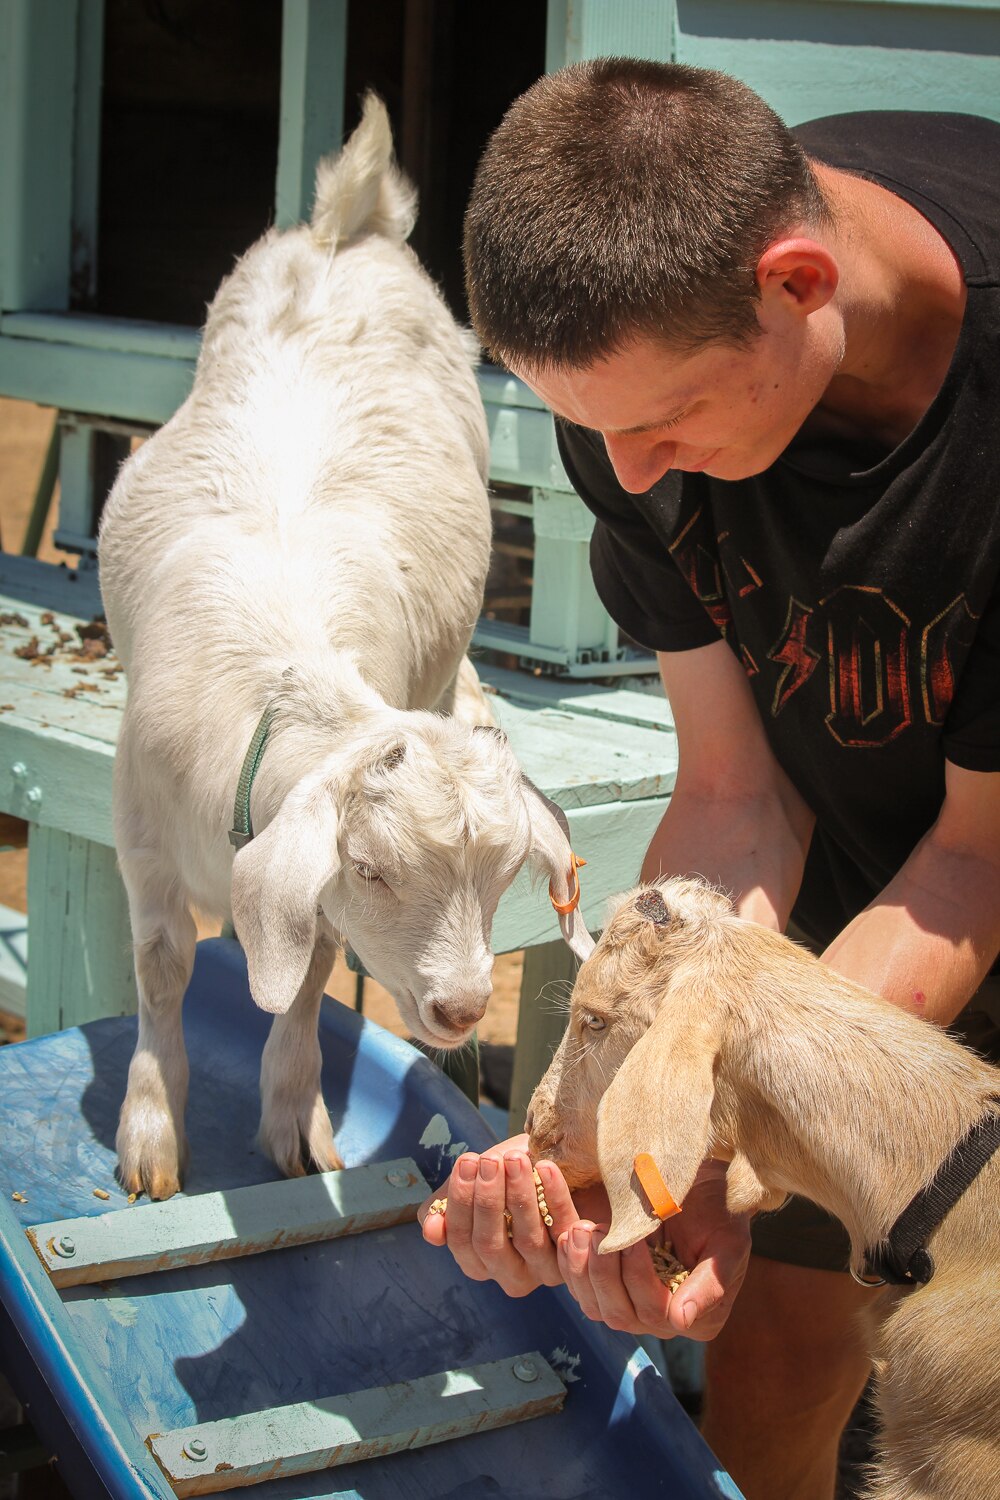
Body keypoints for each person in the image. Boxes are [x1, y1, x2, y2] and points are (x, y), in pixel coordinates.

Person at [418, 57, 1000, 1500]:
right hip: (860, 897)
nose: (628, 473)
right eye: (590, 427)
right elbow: (740, 797)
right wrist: (653, 1155)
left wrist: (720, 1132)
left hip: (972, 860)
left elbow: (977, 862)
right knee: (781, 1355)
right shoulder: (655, 319)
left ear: (798, 284)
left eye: (662, 421)